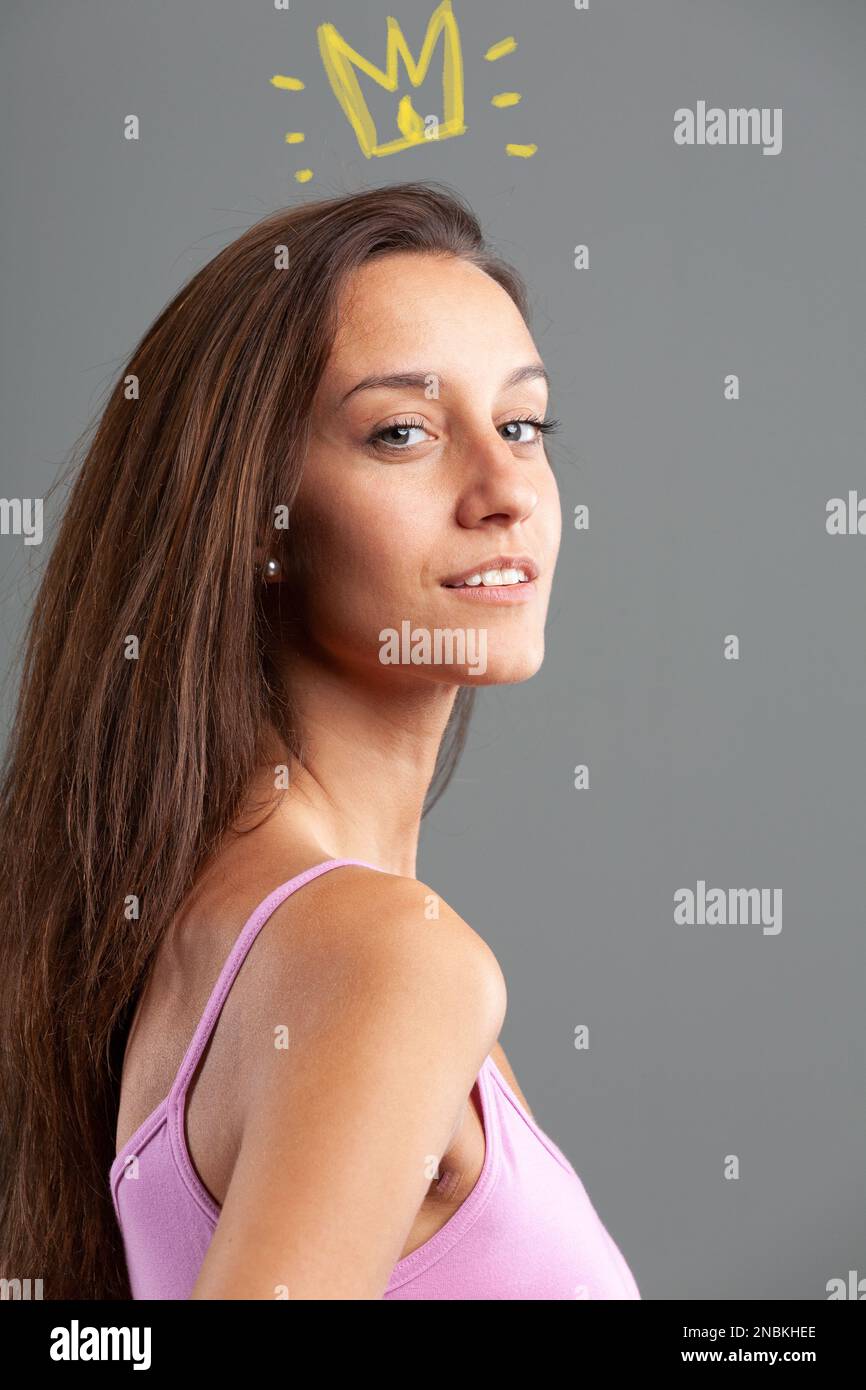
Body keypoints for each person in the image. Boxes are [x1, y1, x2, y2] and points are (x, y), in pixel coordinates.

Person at [0, 181, 640, 1300]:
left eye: (520, 424)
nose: (505, 492)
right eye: (402, 432)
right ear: (255, 514)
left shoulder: (204, 930)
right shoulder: (386, 959)